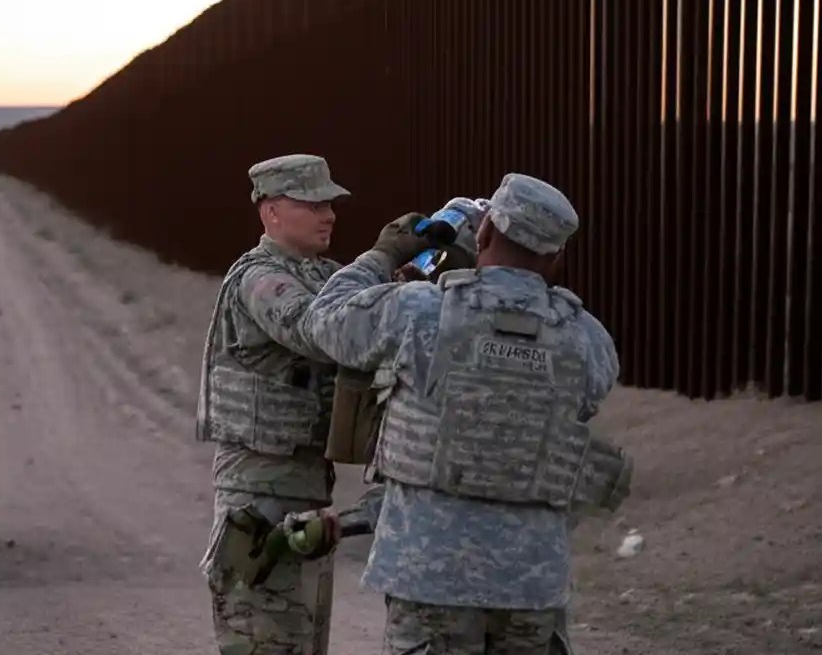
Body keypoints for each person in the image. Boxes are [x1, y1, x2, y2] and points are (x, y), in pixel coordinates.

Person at [291, 173, 631, 654]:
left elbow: (321, 321)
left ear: (485, 233)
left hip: (431, 576)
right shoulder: (587, 339)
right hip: (532, 584)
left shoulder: (421, 312)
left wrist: (386, 255)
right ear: (557, 258)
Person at [196, 153, 351, 654]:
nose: (328, 214)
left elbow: (370, 317)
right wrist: (380, 260)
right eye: (313, 204)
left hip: (304, 492)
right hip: (260, 498)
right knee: (264, 640)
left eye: (330, 204)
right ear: (271, 212)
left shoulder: (321, 273)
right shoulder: (259, 279)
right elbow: (316, 328)